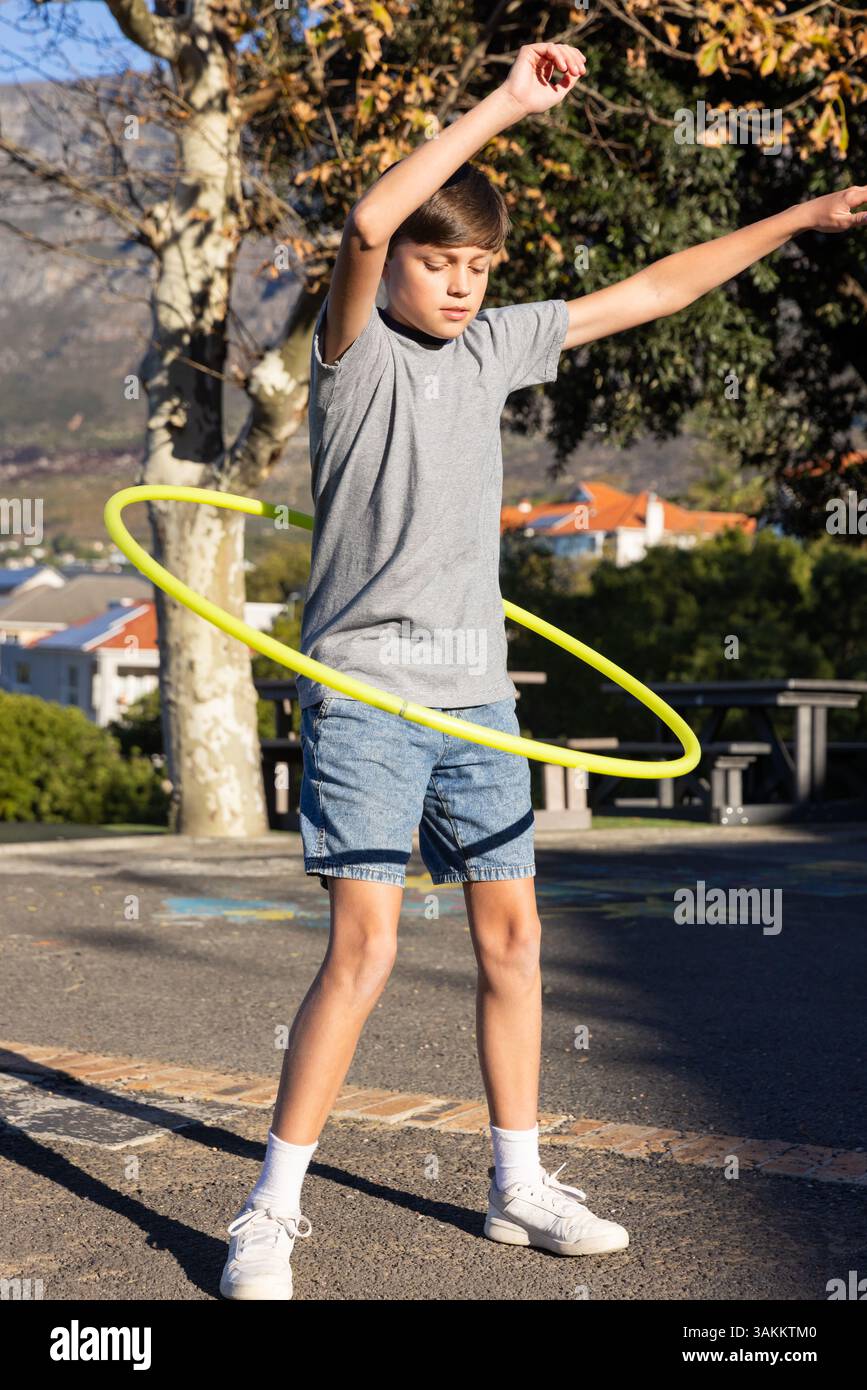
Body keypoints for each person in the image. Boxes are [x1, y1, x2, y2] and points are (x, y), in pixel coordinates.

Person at [220, 41, 867, 1300]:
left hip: (480, 696)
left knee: (514, 942)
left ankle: (517, 1182)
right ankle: (270, 1209)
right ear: (397, 265)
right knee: (364, 951)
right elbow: (361, 218)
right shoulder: (349, 357)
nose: (457, 286)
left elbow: (655, 292)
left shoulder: (493, 349)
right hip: (362, 689)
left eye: (476, 268)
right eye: (437, 261)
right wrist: (512, 102)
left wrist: (799, 212)